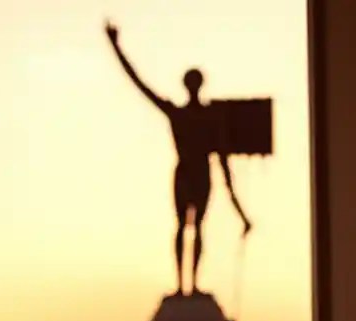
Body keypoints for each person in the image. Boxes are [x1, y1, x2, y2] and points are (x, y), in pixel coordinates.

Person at [105, 22, 253, 296]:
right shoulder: (184, 115)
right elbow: (139, 83)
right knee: (185, 227)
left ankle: (190, 285)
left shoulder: (206, 118)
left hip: (196, 174)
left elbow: (223, 163)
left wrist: (240, 212)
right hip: (187, 174)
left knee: (193, 228)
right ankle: (184, 285)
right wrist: (116, 47)